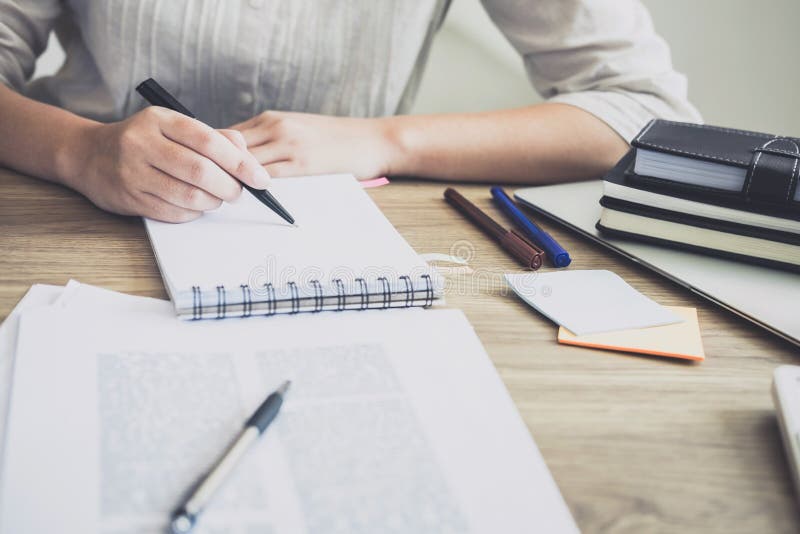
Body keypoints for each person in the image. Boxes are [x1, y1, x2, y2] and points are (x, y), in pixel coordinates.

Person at [0, 0, 699, 223]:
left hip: (329, 242)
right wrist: (81, 151)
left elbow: (646, 112)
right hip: (63, 213)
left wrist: (387, 140)